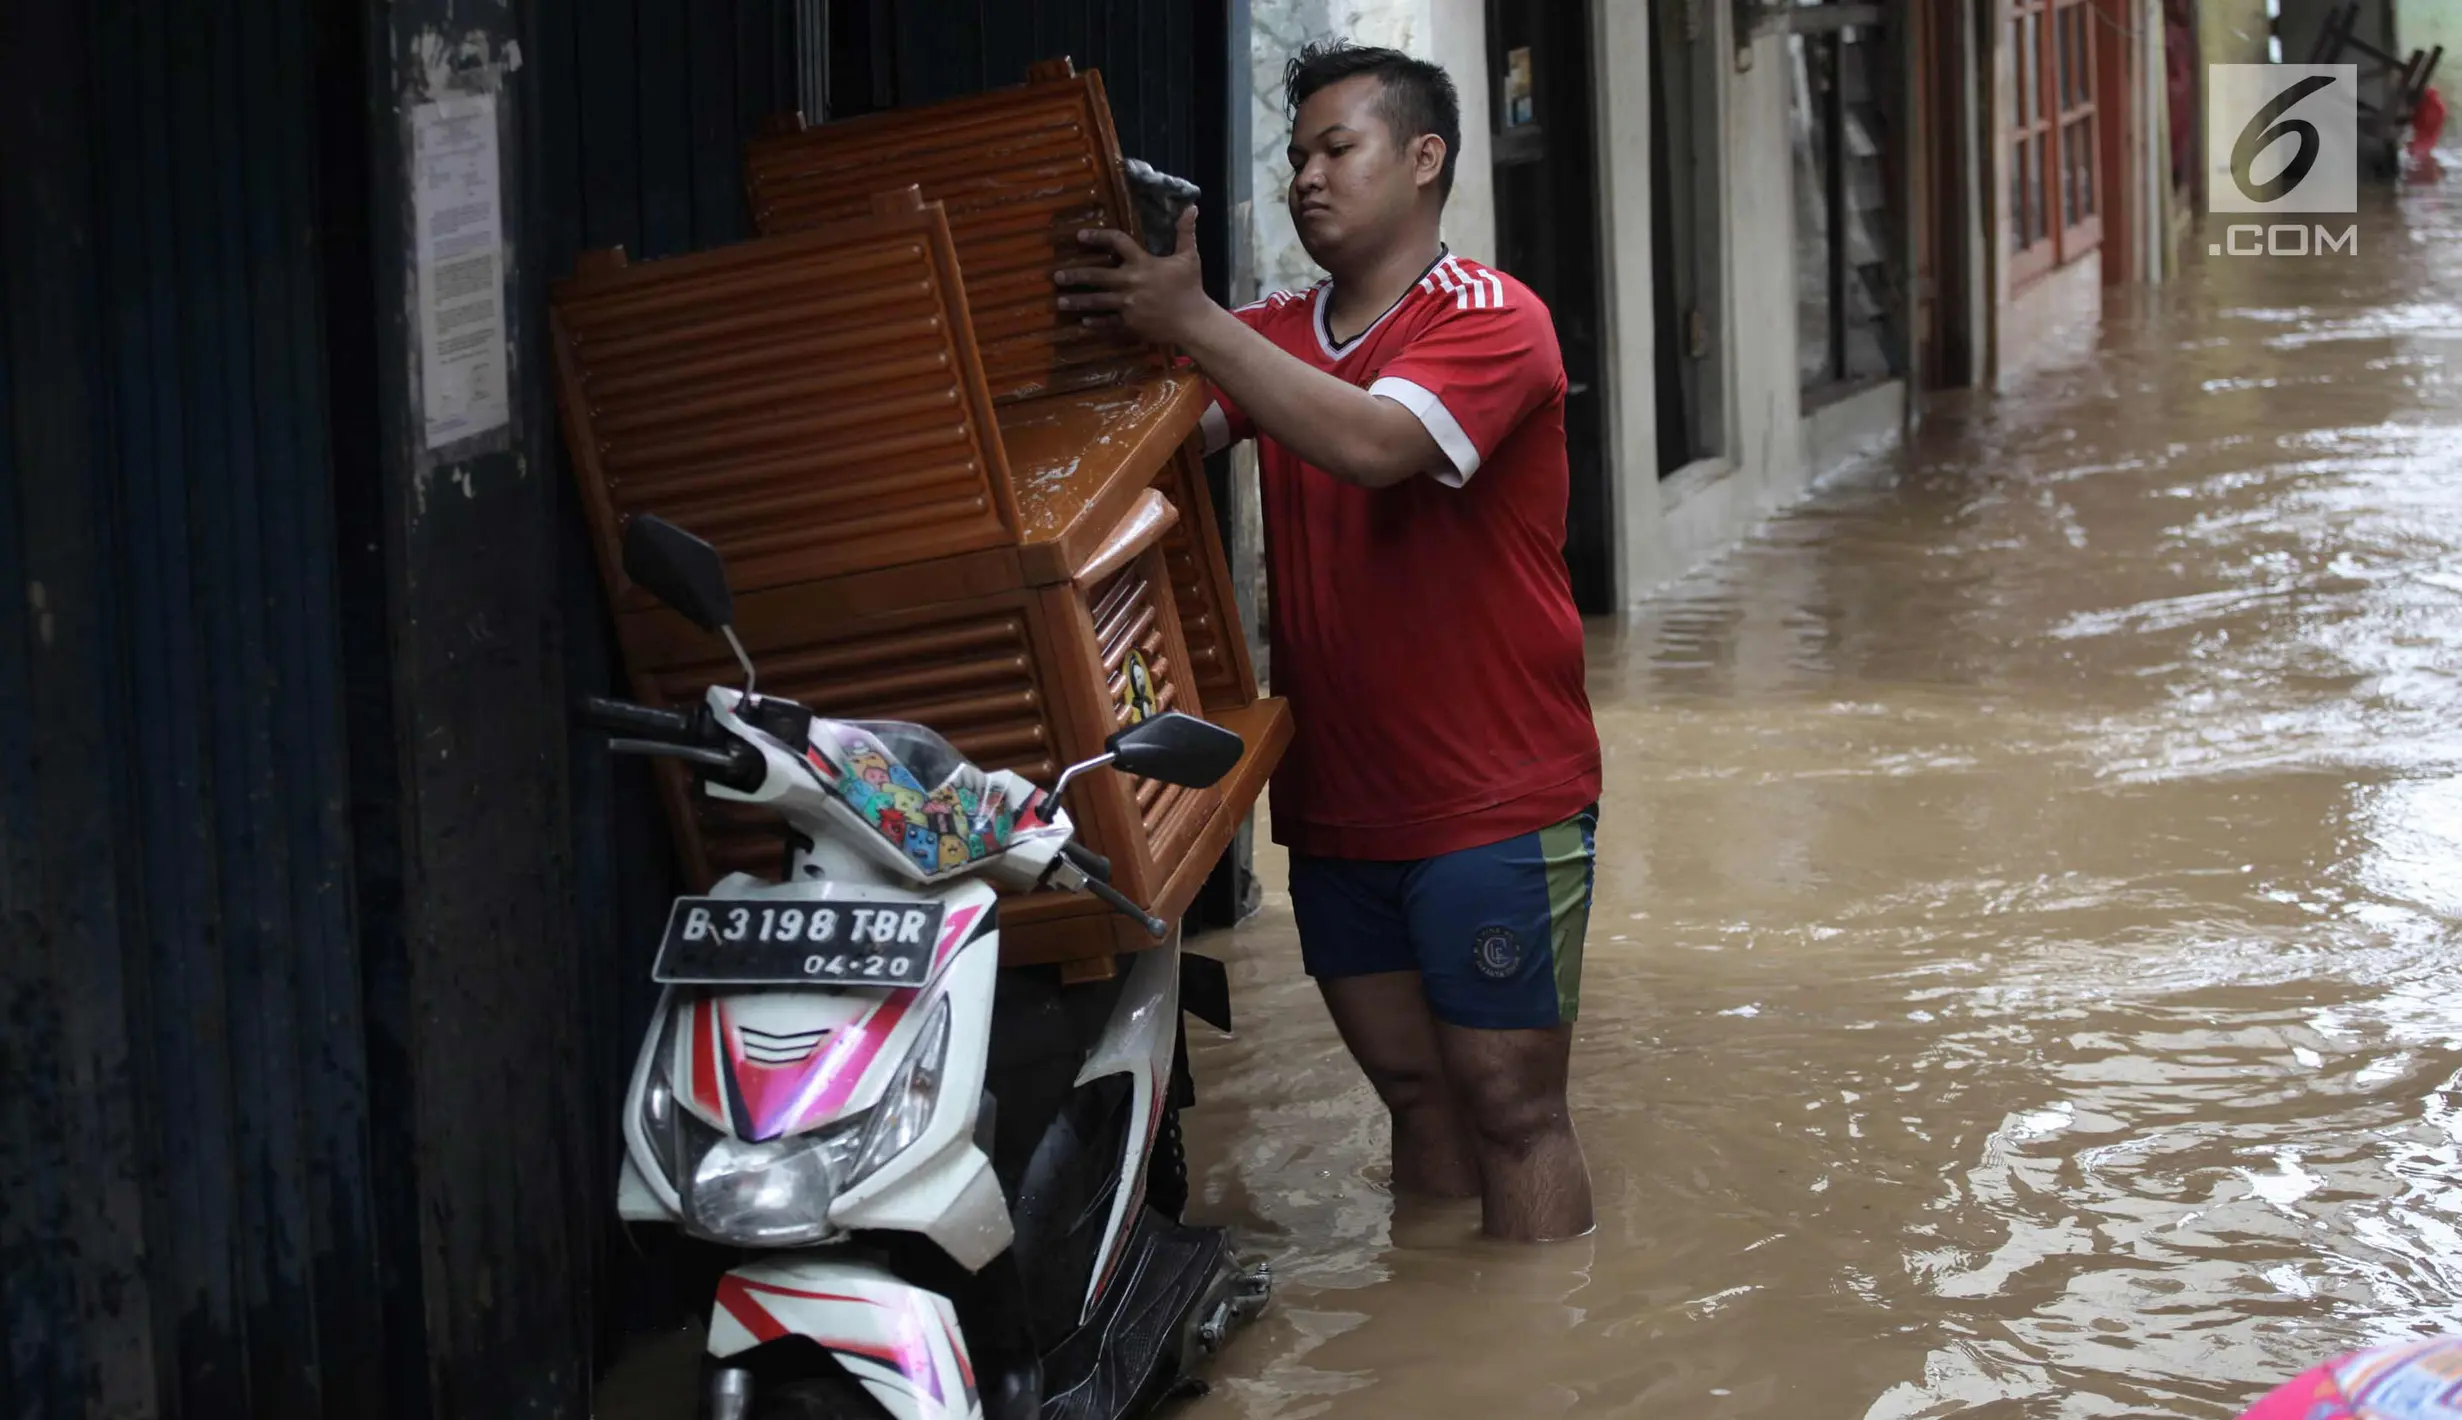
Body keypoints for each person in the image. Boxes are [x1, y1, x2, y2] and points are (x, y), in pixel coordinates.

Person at [1054, 40, 1600, 1242]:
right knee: (1413, 1094)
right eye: (1295, 155)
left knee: (1511, 1106)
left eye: (1335, 149)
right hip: (1340, 802)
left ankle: (1548, 1339)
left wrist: (1196, 322)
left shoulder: (1492, 317)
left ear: (1423, 158)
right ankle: (1445, 1330)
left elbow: (1371, 444)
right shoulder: (1270, 333)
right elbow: (1142, 448)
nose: (1305, 176)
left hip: (1494, 797)